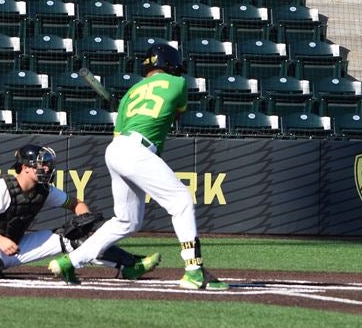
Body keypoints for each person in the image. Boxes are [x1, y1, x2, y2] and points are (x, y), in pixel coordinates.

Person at [49, 43, 228, 290]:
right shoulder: (178, 84)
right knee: (181, 201)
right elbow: (173, 116)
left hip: (117, 149)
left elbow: (122, 133)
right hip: (137, 149)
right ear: (169, 64)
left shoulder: (131, 92)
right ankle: (194, 270)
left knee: (127, 221)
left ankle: (72, 260)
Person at [0, 144, 161, 279]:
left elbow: (76, 203)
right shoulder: (0, 189)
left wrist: (85, 224)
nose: (47, 168)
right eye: (41, 165)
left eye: (47, 164)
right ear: (25, 168)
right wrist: (0, 241)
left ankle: (131, 265)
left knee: (79, 238)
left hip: (20, 243)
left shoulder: (44, 190)